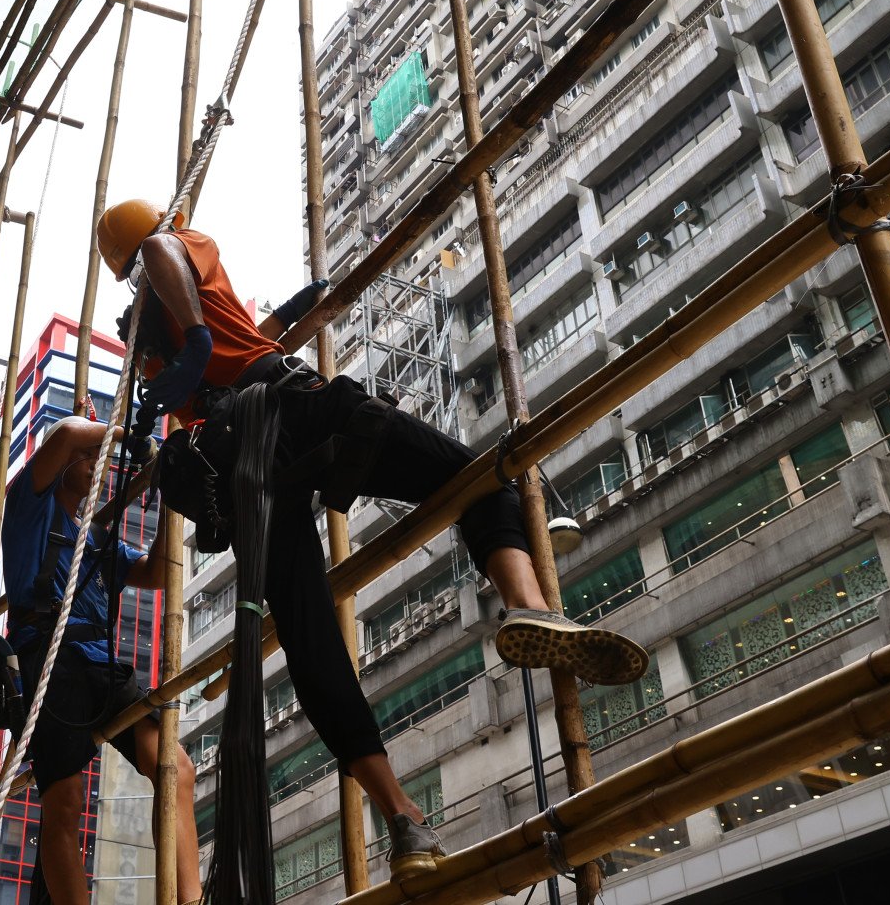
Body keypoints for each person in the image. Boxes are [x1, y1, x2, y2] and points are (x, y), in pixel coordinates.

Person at [96, 199, 648, 880]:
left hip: (245, 476)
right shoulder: (178, 247)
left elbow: (225, 346)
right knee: (478, 480)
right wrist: (200, 329)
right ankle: (526, 601)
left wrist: (242, 327)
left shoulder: (149, 348)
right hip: (294, 414)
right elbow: (164, 256)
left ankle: (404, 822)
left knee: (309, 641)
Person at [2, 415, 201, 905]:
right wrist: (143, 441)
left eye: (100, 458)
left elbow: (156, 573)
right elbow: (68, 435)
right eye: (89, 457)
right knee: (65, 804)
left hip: (100, 664)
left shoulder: (96, 539)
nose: (96, 464)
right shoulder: (29, 507)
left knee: (175, 767)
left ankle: (189, 900)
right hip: (51, 663)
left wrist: (169, 493)